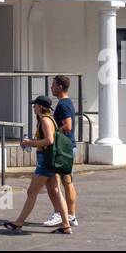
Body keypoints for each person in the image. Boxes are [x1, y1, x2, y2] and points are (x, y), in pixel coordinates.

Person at [4, 96, 72, 235]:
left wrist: (30, 143)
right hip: (50, 160)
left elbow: (49, 140)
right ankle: (66, 225)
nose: (33, 107)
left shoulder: (45, 120)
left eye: (35, 105)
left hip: (45, 161)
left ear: (40, 107)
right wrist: (33, 141)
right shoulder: (50, 119)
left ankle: (19, 222)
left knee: (32, 192)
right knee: (56, 192)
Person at [42, 75, 79, 227]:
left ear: (60, 87)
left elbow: (68, 126)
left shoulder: (63, 105)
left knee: (59, 182)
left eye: (53, 85)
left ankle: (63, 214)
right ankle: (70, 215)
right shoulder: (67, 103)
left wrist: (55, 132)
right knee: (66, 181)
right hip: (69, 148)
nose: (51, 87)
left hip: (64, 149)